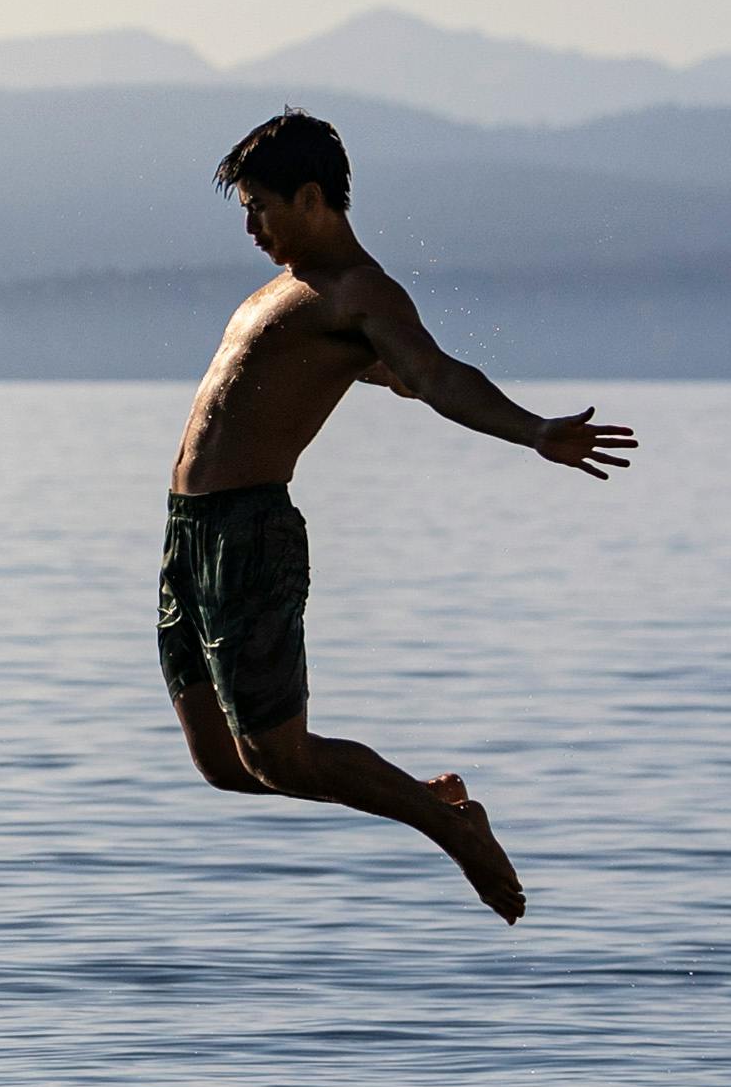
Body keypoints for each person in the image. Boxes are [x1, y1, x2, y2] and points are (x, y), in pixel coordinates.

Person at [160, 108, 631, 924]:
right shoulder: (288, 290)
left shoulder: (360, 291)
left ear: (312, 197)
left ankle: (451, 830)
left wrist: (531, 429)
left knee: (278, 754)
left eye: (260, 206)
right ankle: (429, 803)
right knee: (228, 765)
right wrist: (391, 373)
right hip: (187, 537)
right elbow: (384, 373)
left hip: (248, 535)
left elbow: (438, 373)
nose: (250, 225)